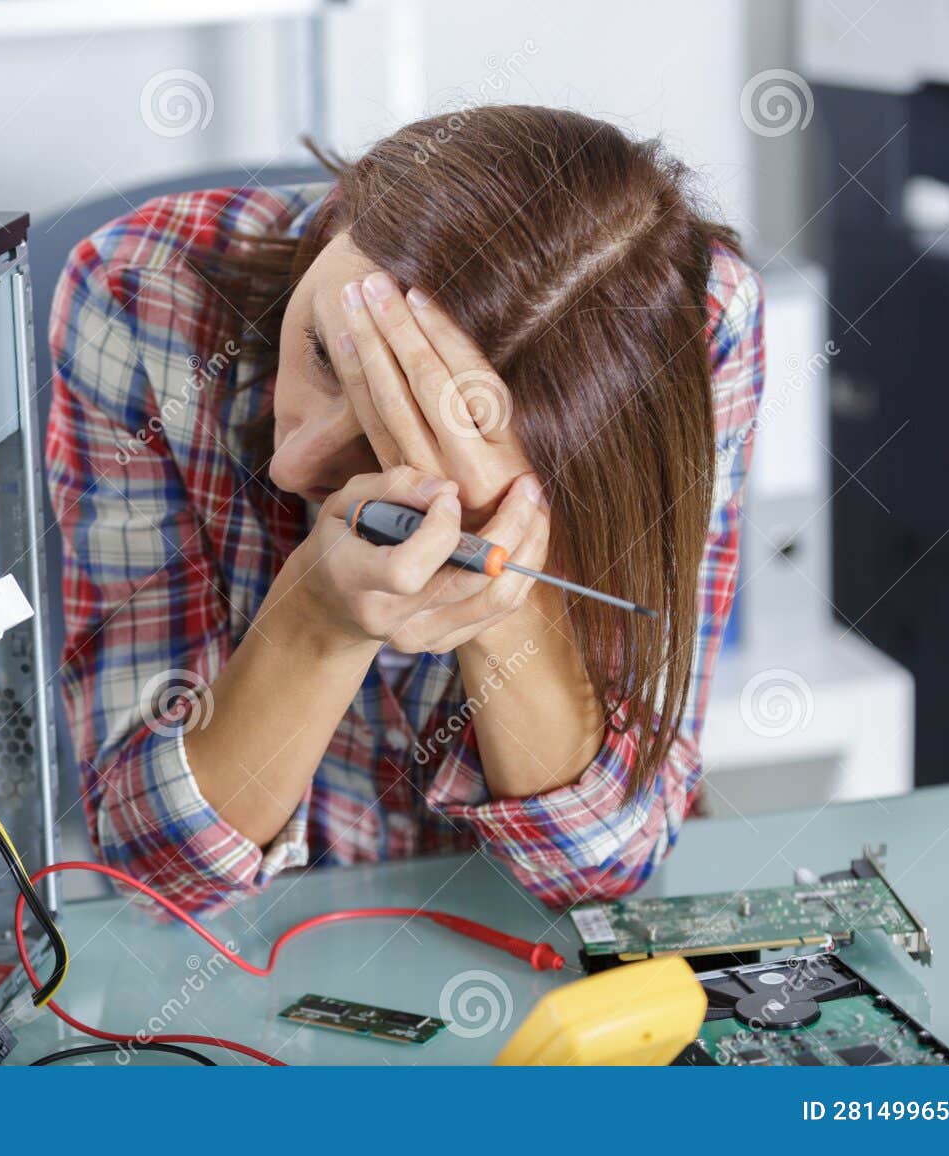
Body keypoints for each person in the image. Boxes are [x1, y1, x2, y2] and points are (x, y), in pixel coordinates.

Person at [45, 105, 763, 914]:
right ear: (344, 210)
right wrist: (315, 621)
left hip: (517, 938)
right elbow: (154, 875)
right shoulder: (137, 291)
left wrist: (505, 591)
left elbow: (600, 871)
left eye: (397, 443)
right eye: (324, 350)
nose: (296, 463)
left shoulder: (697, 334)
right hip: (245, 949)